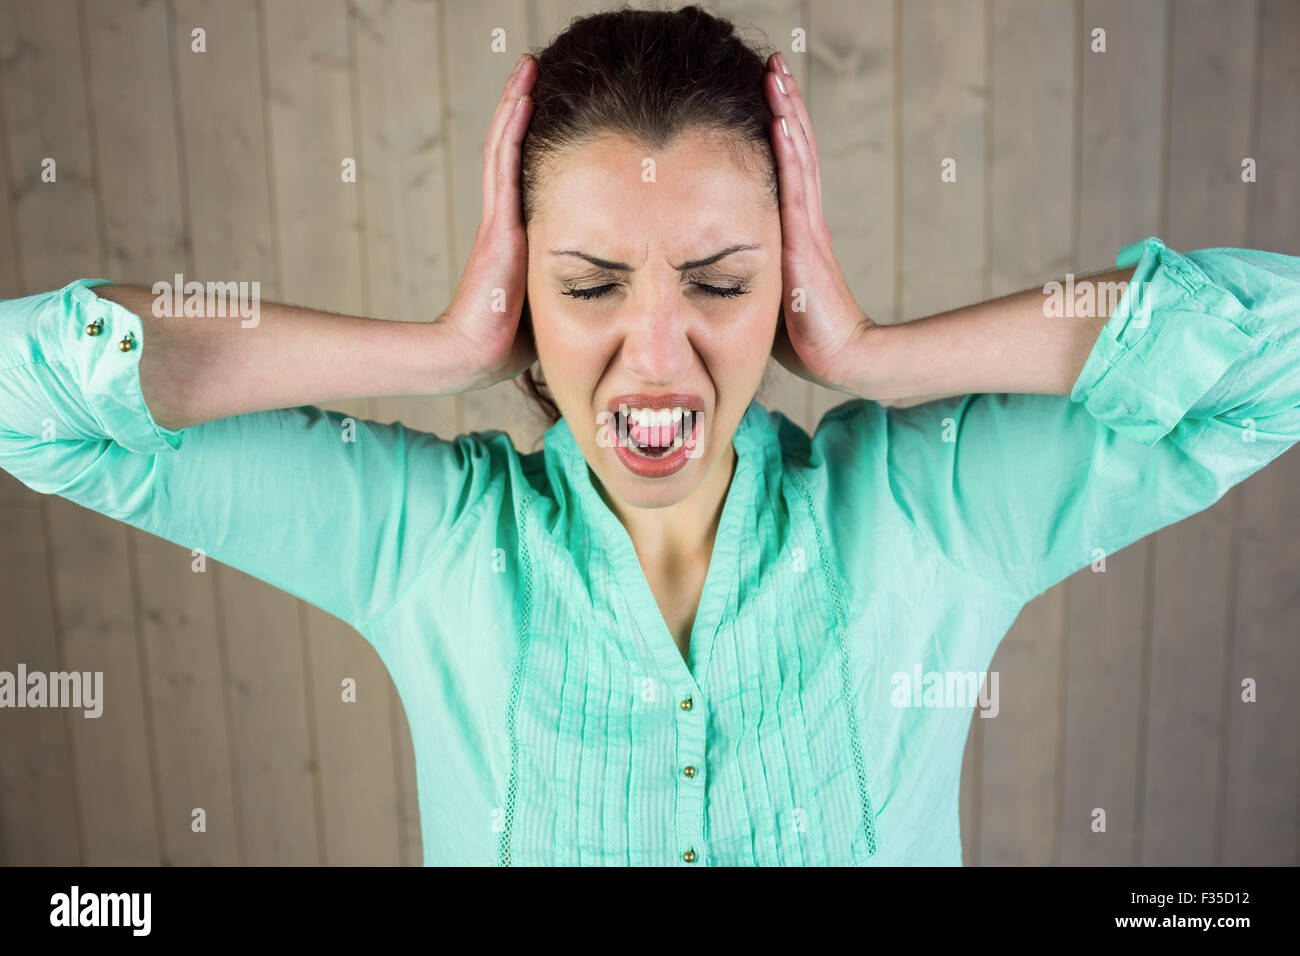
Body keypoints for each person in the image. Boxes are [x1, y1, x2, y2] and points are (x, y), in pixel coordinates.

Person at [1, 5, 1298, 867]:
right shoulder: (430, 547)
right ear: (522, 297)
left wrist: (874, 354)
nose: (658, 353)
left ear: (790, 285)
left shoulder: (927, 518)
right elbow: (34, 401)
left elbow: (1272, 362)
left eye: (721, 283)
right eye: (590, 284)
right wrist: (442, 349)